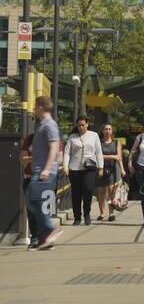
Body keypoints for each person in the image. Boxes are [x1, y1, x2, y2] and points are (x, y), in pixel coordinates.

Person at [28, 96, 62, 250]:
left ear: (40, 107)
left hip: (43, 171)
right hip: (40, 169)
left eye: (35, 107)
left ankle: (49, 229)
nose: (34, 109)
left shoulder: (49, 125)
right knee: (36, 201)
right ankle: (45, 238)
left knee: (33, 200)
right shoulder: (42, 125)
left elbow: (54, 147)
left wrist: (47, 169)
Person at [62, 116, 103, 227]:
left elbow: (98, 152)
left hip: (89, 168)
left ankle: (87, 214)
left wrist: (101, 167)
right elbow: (66, 153)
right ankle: (77, 217)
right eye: (79, 125)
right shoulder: (72, 137)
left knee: (88, 190)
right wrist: (65, 166)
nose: (81, 127)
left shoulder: (94, 135)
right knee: (76, 193)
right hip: (75, 168)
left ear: (87, 124)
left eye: (83, 125)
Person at [95, 124, 124, 222]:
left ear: (112, 131)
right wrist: (112, 156)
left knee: (112, 192)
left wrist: (123, 169)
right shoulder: (98, 142)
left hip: (113, 169)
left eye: (109, 129)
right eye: (105, 129)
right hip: (101, 169)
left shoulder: (116, 143)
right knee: (101, 193)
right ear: (102, 131)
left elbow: (119, 157)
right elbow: (97, 156)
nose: (107, 131)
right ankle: (102, 213)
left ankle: (111, 214)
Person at [20, 133, 38, 248]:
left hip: (44, 180)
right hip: (29, 179)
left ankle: (44, 236)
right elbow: (23, 159)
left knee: (43, 210)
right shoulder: (29, 139)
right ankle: (35, 237)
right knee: (31, 211)